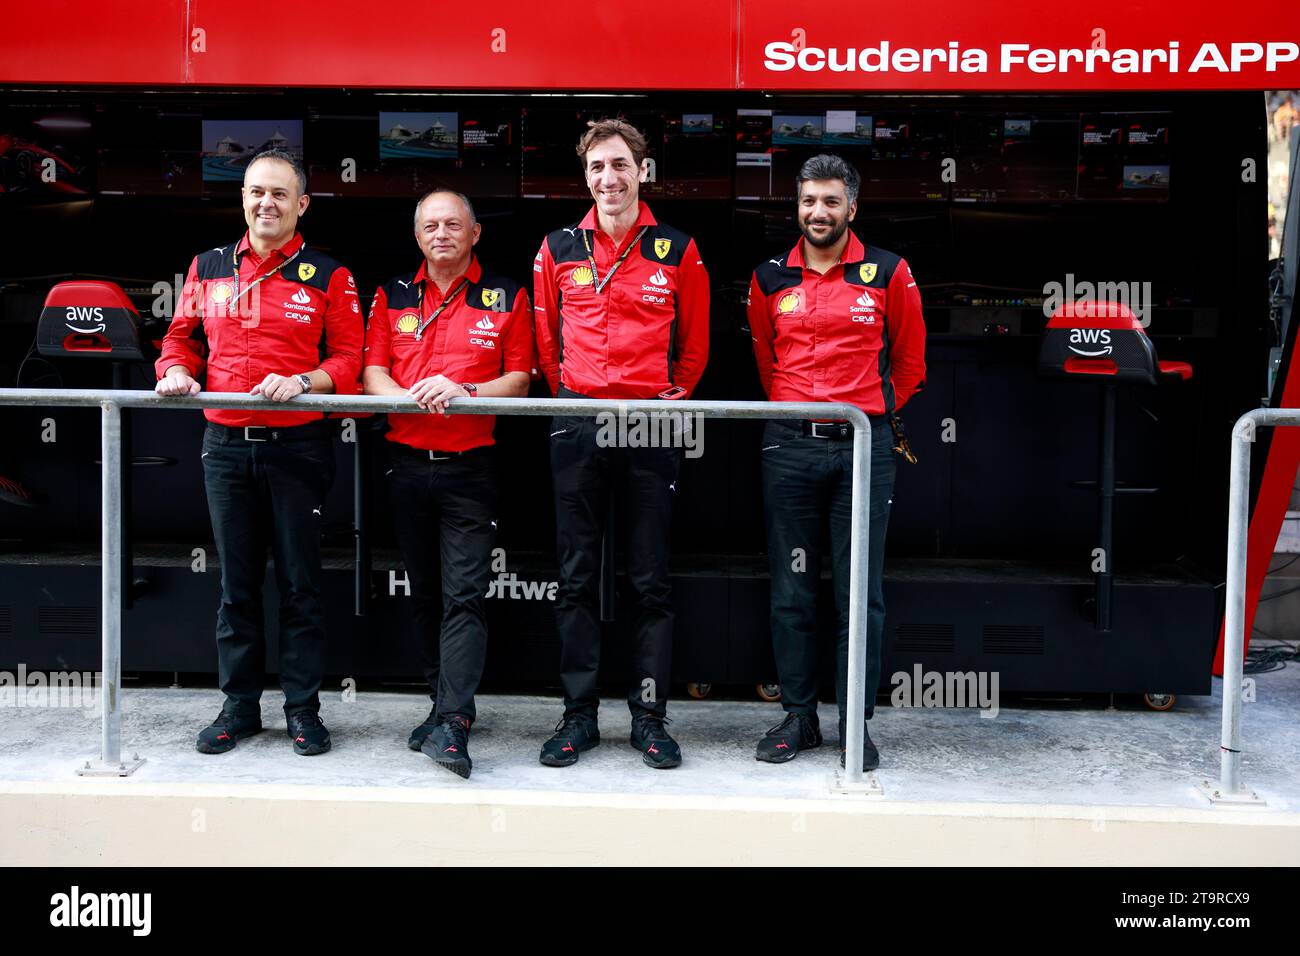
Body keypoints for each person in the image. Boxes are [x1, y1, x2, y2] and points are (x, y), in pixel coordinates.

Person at [155, 149, 363, 757]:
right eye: (255, 192)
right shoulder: (209, 266)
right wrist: (174, 370)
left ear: (301, 204)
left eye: (278, 193)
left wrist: (304, 382)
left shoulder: (329, 274)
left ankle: (302, 710)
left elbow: (348, 361)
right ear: (242, 199)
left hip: (298, 448)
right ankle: (239, 707)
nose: (265, 203)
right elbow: (179, 338)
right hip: (224, 448)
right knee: (237, 587)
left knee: (300, 583)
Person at [533, 118, 710, 769]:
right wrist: (571, 397)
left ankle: (649, 717)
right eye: (596, 168)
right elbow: (545, 341)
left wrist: (678, 389)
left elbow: (695, 338)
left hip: (651, 425)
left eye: (619, 165)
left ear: (642, 171)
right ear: (586, 177)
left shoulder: (676, 248)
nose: (609, 178)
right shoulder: (558, 246)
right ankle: (578, 716)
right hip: (578, 422)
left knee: (649, 580)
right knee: (577, 576)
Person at [746, 153, 926, 769]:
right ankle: (799, 717)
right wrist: (796, 414)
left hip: (863, 449)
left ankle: (855, 723)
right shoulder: (769, 276)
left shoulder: (889, 272)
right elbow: (767, 362)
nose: (817, 212)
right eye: (807, 201)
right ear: (796, 207)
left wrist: (872, 412)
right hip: (789, 447)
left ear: (852, 206)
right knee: (791, 590)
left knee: (861, 593)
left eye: (829, 201)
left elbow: (910, 364)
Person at [363, 189, 533, 779]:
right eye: (431, 225)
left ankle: (456, 723)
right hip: (406, 464)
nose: (442, 233)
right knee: (427, 594)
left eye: (453, 224)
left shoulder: (508, 295)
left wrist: (469, 394)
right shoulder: (392, 295)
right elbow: (371, 373)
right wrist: (406, 397)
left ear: (475, 232)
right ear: (417, 236)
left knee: (465, 596)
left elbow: (520, 379)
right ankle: (439, 705)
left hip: (470, 468)